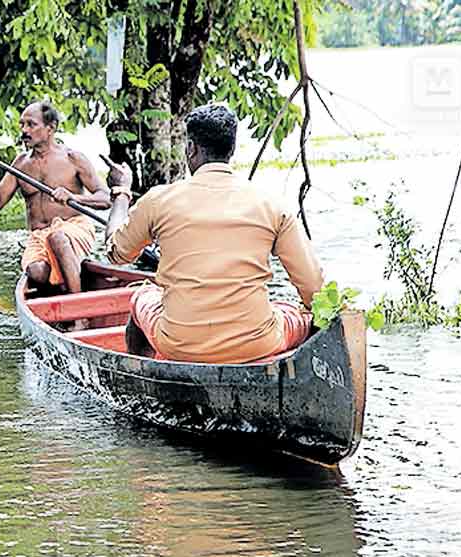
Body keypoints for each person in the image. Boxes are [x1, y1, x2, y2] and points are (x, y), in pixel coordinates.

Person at [102, 103, 325, 364]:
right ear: (232, 149)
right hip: (258, 343)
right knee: (305, 315)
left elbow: (116, 254)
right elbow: (314, 289)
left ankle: (143, 378)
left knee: (141, 295)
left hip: (179, 344)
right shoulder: (272, 204)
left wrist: (121, 193)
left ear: (191, 148)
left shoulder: (158, 200)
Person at [0, 102, 112, 296]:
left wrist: (74, 197)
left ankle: (78, 306)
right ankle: (64, 283)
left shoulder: (73, 158)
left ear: (50, 128)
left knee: (57, 238)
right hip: (39, 234)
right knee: (37, 272)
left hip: (74, 228)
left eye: (31, 124)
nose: (24, 130)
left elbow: (105, 199)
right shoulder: (21, 163)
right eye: (22, 125)